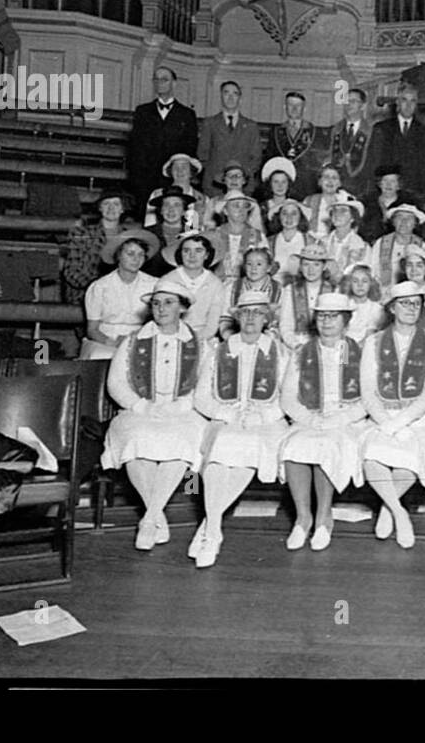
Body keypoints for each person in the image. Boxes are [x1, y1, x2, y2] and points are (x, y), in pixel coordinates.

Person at [103, 278, 208, 550]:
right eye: (156, 303)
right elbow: (115, 384)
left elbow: (207, 384)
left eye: (169, 303)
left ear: (183, 308)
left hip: (185, 410)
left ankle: (148, 520)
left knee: (183, 440)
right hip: (139, 408)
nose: (161, 309)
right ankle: (155, 515)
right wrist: (142, 406)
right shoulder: (133, 341)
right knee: (137, 438)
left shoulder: (200, 344)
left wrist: (181, 406)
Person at [191, 292, 290, 567]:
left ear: (267, 318)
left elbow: (288, 397)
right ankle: (213, 531)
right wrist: (226, 413)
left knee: (249, 448)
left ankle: (209, 525)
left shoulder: (280, 352)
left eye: (257, 313)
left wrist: (263, 415)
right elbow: (201, 397)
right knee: (219, 450)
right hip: (227, 418)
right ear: (236, 317)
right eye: (245, 312)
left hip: (267, 422)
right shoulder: (218, 351)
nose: (250, 319)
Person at [359, 281, 425, 549]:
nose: (411, 308)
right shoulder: (373, 342)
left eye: (416, 304)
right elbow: (368, 391)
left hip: (417, 419)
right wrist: (388, 423)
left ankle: (388, 507)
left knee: (411, 458)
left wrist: (402, 422)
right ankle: (399, 512)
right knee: (371, 453)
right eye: (405, 303)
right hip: (380, 416)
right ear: (392, 308)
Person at [277, 293, 367, 550]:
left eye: (334, 316)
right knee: (294, 447)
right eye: (322, 316)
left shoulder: (356, 352)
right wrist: (310, 419)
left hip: (346, 419)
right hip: (310, 416)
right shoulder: (302, 352)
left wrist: (340, 417)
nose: (327, 322)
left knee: (326, 447)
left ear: (345, 321)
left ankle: (323, 518)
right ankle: (302, 517)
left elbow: (368, 398)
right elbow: (288, 398)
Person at [80, 229, 160, 358]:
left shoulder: (154, 285)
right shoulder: (100, 286)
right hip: (104, 340)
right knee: (102, 355)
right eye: (130, 253)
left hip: (142, 339)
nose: (136, 259)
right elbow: (92, 330)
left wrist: (137, 339)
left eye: (140, 255)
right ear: (118, 256)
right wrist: (113, 342)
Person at [128, 67, 199, 212]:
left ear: (174, 84)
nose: (159, 83)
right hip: (146, 180)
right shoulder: (142, 111)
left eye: (164, 79)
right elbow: (135, 148)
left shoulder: (187, 115)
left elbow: (189, 149)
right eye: (156, 79)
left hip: (174, 179)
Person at [64, 189, 140, 304]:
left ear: (122, 209)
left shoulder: (130, 237)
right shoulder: (82, 234)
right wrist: (101, 287)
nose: (111, 208)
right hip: (87, 295)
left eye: (116, 204)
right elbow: (72, 273)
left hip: (122, 296)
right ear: (100, 208)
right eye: (106, 204)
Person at [197, 80, 263, 196]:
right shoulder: (210, 123)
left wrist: (239, 177)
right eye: (226, 93)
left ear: (240, 98)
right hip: (214, 186)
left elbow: (256, 158)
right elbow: (203, 155)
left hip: (243, 186)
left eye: (235, 94)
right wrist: (219, 175)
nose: (231, 97)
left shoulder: (251, 126)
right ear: (221, 97)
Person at [159, 232, 227, 342]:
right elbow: (162, 319)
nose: (192, 256)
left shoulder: (215, 284)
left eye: (198, 251)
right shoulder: (167, 281)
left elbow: (212, 325)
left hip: (204, 339)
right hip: (171, 337)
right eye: (186, 251)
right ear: (180, 254)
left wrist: (194, 341)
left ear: (207, 255)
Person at [368, 82, 425, 195]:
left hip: (415, 191)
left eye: (412, 101)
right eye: (404, 100)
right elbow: (375, 163)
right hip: (387, 191)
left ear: (416, 105)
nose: (408, 105)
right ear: (397, 102)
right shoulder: (382, 128)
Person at [277, 239, 333, 350]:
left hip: (327, 344)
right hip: (297, 343)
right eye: (306, 264)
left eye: (316, 265)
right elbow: (285, 325)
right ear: (300, 266)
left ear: (324, 266)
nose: (311, 270)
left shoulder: (333, 290)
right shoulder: (290, 290)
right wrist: (296, 345)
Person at [263, 92, 319, 200]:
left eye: (298, 105)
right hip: (282, 187)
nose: (294, 108)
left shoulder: (314, 132)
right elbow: (269, 159)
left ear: (304, 108)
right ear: (285, 107)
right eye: (290, 105)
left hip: (305, 187)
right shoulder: (276, 132)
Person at [218, 247, 280, 339]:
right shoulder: (232, 288)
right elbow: (225, 320)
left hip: (269, 338)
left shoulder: (280, 290)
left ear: (268, 267)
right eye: (249, 264)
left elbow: (283, 322)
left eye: (259, 264)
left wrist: (268, 338)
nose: (253, 268)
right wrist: (231, 338)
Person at [205, 190, 267, 281]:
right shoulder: (213, 235)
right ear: (225, 211)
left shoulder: (258, 236)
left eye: (245, 206)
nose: (241, 210)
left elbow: (266, 264)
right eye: (236, 206)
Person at [327, 87, 374, 198]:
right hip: (337, 188)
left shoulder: (372, 131)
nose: (349, 105)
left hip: (362, 188)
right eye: (346, 101)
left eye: (353, 101)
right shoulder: (335, 130)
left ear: (363, 106)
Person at [143, 185, 196, 276]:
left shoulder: (193, 235)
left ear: (184, 211)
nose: (171, 209)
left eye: (177, 205)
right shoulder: (146, 234)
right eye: (166, 205)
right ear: (161, 210)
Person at [370, 201, 425, 284]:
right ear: (393, 222)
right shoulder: (380, 244)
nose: (404, 221)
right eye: (399, 217)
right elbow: (372, 272)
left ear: (415, 223)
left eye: (409, 218)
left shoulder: (423, 247)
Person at [145, 153, 207, 229]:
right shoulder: (157, 194)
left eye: (184, 167)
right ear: (170, 172)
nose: (180, 171)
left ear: (191, 172)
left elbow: (206, 229)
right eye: (175, 168)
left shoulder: (202, 199)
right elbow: (149, 223)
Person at [200, 162, 265, 233]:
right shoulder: (214, 202)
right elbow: (206, 226)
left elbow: (258, 230)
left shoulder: (252, 204)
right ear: (224, 180)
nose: (234, 179)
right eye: (229, 176)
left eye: (238, 176)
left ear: (244, 180)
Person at [320, 190, 369, 281]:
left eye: (343, 211)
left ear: (353, 218)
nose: (337, 214)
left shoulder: (362, 247)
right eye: (335, 211)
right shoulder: (321, 243)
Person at [339, 262, 386, 343]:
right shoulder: (343, 306)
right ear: (349, 284)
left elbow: (370, 335)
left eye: (364, 281)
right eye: (355, 281)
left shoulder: (376, 308)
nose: (360, 285)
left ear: (371, 284)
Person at [268, 197, 312, 282]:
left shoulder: (310, 241)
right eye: (284, 213)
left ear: (301, 217)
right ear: (279, 217)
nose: (289, 218)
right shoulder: (269, 242)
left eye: (294, 213)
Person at [360, 164, 404, 243]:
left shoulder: (405, 205)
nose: (388, 184)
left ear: (398, 185)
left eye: (393, 181)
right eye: (385, 180)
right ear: (380, 184)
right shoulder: (367, 203)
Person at [304, 165, 344, 239]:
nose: (330, 181)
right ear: (320, 182)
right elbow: (302, 226)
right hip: (311, 242)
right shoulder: (309, 201)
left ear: (339, 183)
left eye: (334, 178)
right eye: (326, 177)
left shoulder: (344, 202)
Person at [259, 156, 298, 230]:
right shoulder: (262, 208)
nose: (280, 186)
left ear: (288, 184)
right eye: (276, 182)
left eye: (283, 182)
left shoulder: (294, 205)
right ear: (270, 184)